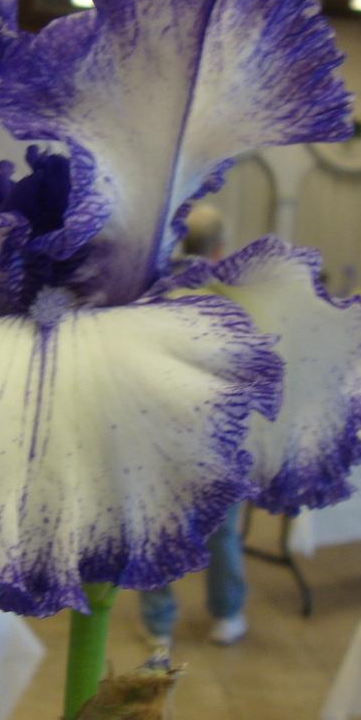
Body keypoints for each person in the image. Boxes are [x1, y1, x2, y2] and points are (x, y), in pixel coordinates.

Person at [138, 204, 249, 649]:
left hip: (161, 425)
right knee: (221, 529)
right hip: (218, 427)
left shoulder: (158, 294)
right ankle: (228, 613)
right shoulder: (234, 297)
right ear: (220, 248)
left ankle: (158, 624)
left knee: (158, 525)